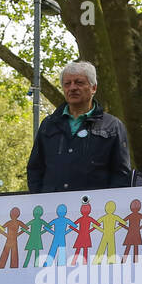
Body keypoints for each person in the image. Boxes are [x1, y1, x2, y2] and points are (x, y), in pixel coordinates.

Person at [27, 61, 133, 193]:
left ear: (93, 88)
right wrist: (40, 200)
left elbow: (121, 174)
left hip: (95, 209)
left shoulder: (112, 126)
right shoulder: (48, 124)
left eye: (79, 82)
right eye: (67, 84)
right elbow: (35, 169)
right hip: (52, 208)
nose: (72, 88)